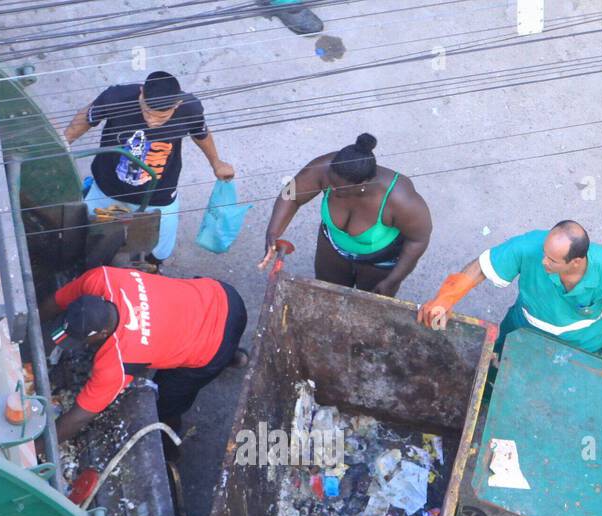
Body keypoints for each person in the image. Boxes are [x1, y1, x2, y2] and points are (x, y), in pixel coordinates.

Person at [416, 220, 602, 381]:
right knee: (497, 372)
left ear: (577, 262)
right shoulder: (531, 246)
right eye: (544, 254)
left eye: (552, 260)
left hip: (582, 344)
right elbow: (481, 267)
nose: (542, 261)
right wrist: (444, 300)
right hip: (521, 328)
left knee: (563, 386)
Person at [45, 266, 247, 456]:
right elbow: (56, 300)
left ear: (103, 333)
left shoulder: (117, 361)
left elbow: (80, 416)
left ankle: (169, 446)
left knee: (168, 398)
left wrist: (36, 448)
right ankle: (235, 356)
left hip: (213, 349)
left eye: (83, 340)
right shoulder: (102, 278)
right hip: (223, 295)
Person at [64, 71, 234, 264]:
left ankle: (153, 269)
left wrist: (216, 162)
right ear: (141, 93)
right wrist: (63, 143)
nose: (151, 121)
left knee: (160, 250)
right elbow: (87, 116)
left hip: (159, 194)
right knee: (79, 234)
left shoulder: (190, 108)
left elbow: (200, 133)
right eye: (147, 112)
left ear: (177, 104)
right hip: (107, 186)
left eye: (161, 117)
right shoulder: (116, 97)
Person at [259, 134, 432, 298]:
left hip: (379, 261)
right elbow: (290, 195)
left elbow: (418, 240)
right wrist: (273, 233)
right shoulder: (324, 169)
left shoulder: (399, 199)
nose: (331, 189)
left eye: (338, 188)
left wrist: (392, 280)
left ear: (363, 184)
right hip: (333, 247)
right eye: (330, 183)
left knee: (366, 306)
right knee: (328, 294)